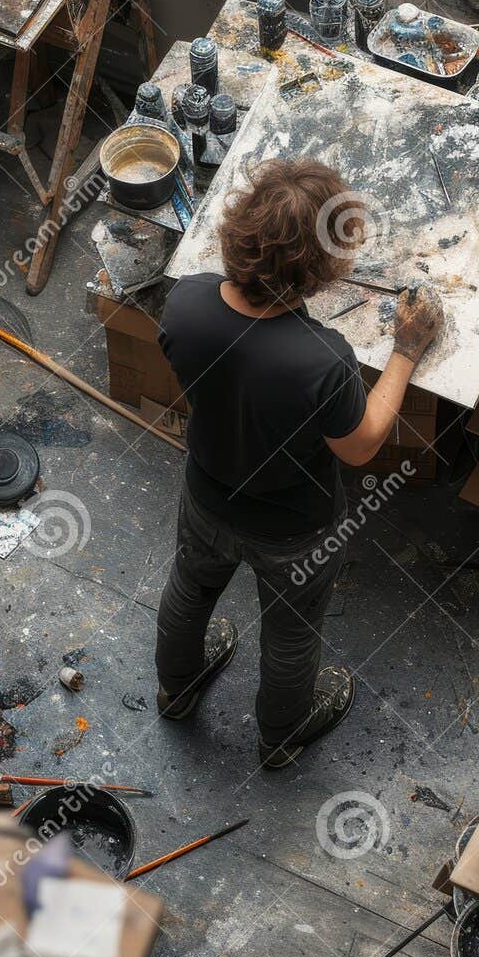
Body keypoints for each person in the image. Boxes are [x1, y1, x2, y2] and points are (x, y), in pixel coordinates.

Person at [155, 158, 444, 769]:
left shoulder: (184, 302)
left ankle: (177, 691)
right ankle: (279, 737)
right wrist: (405, 351)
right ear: (318, 271)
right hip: (294, 529)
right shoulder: (323, 359)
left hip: (208, 493)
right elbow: (361, 447)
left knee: (191, 586)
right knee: (289, 632)